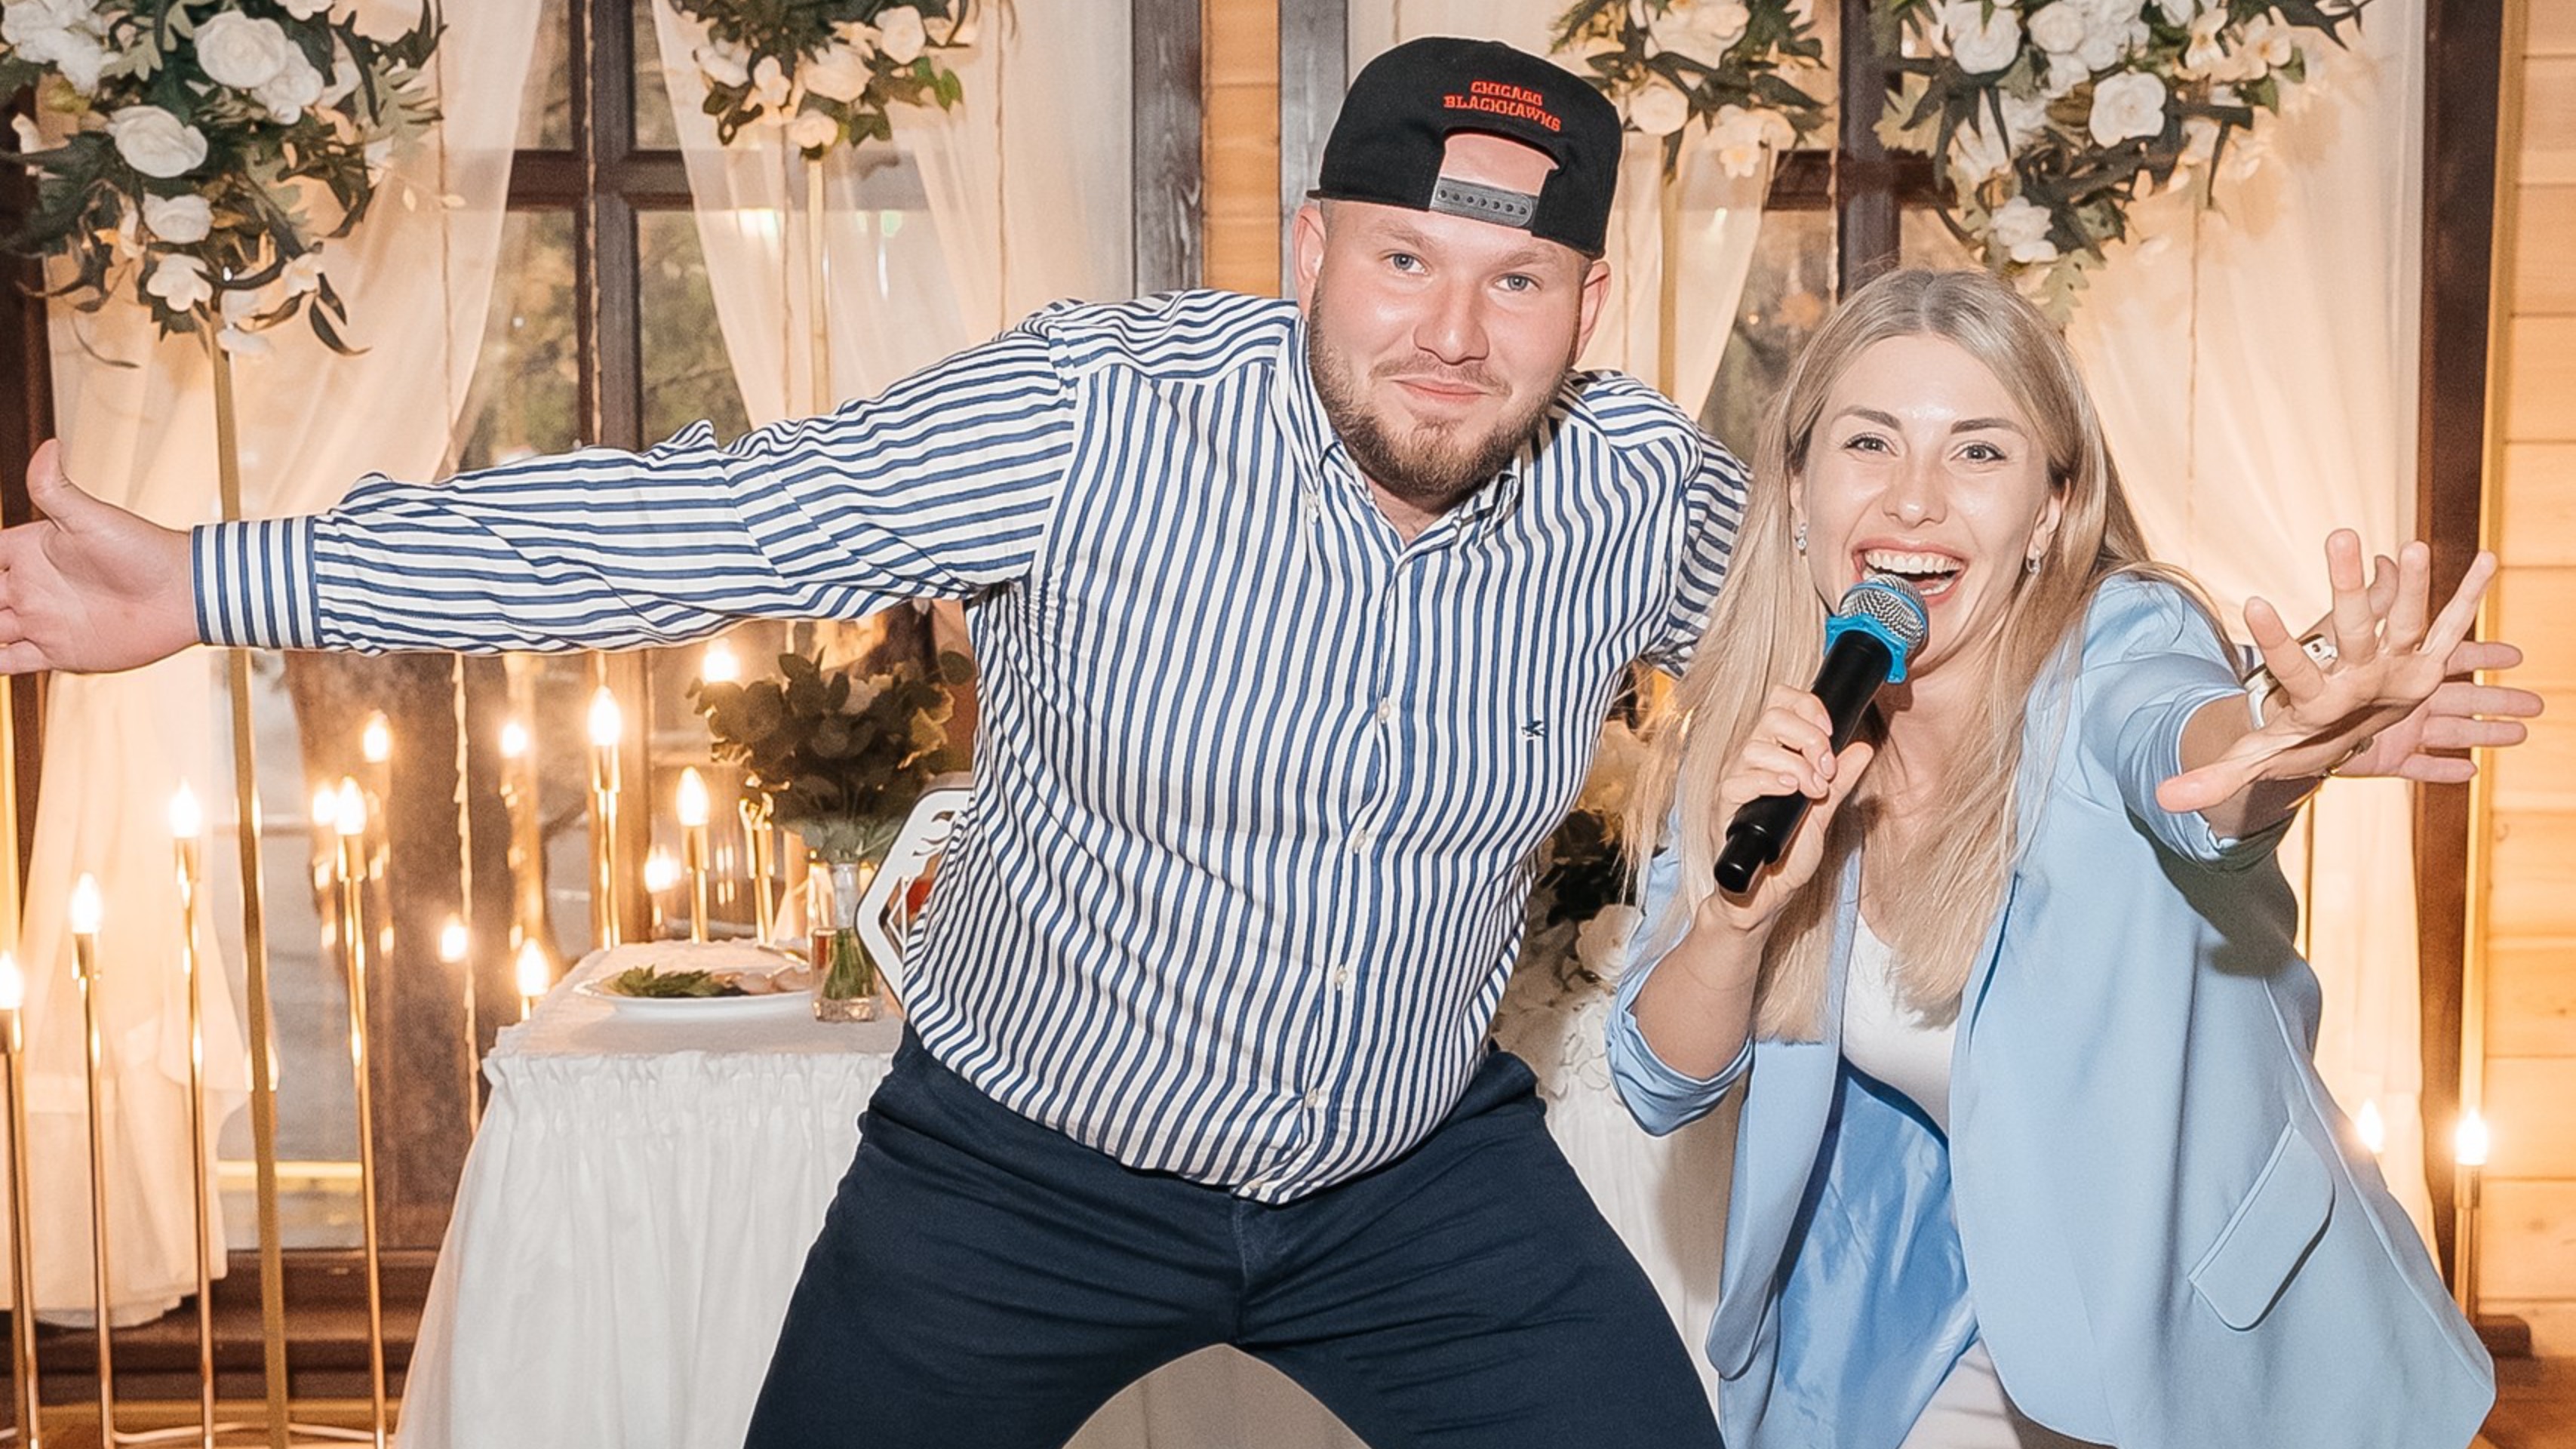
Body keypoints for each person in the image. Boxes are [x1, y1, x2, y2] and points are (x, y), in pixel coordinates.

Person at [5, 38, 1744, 1449]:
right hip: (1023, 1175)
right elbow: (706, 527)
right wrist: (216, 578)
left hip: (1407, 1174)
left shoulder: (1639, 488)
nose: (1452, 336)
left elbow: (1852, 594)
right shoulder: (1095, 415)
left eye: (1518, 279)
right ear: (1311, 251)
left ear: (1588, 306)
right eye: (1403, 260)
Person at [1608, 267, 2522, 1449]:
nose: (1914, 500)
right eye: (1869, 442)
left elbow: (2183, 750)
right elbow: (1659, 1080)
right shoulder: (1766, 735)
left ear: (2049, 511)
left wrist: (2279, 737)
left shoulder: (2118, 643)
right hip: (1927, 1330)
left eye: (1978, 452)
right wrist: (1733, 927)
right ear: (1794, 487)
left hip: (2214, 1343)